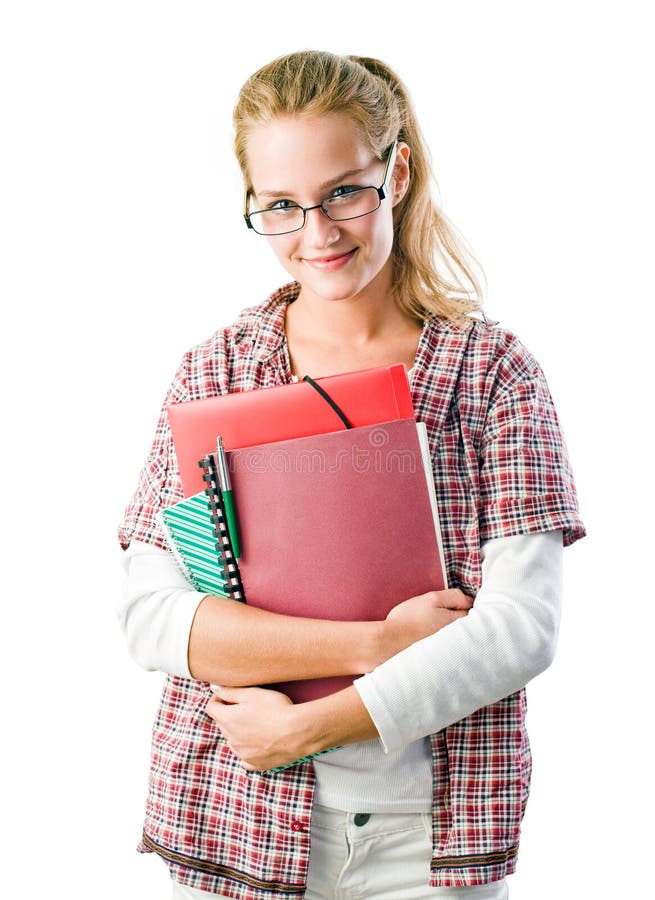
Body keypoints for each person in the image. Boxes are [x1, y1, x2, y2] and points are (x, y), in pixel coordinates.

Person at [118, 50, 585, 900]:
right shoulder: (216, 374)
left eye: (344, 192)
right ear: (253, 203)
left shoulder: (490, 375)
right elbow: (154, 613)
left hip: (429, 837)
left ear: (396, 172)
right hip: (238, 817)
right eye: (282, 207)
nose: (317, 234)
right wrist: (373, 644)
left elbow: (521, 627)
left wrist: (306, 727)